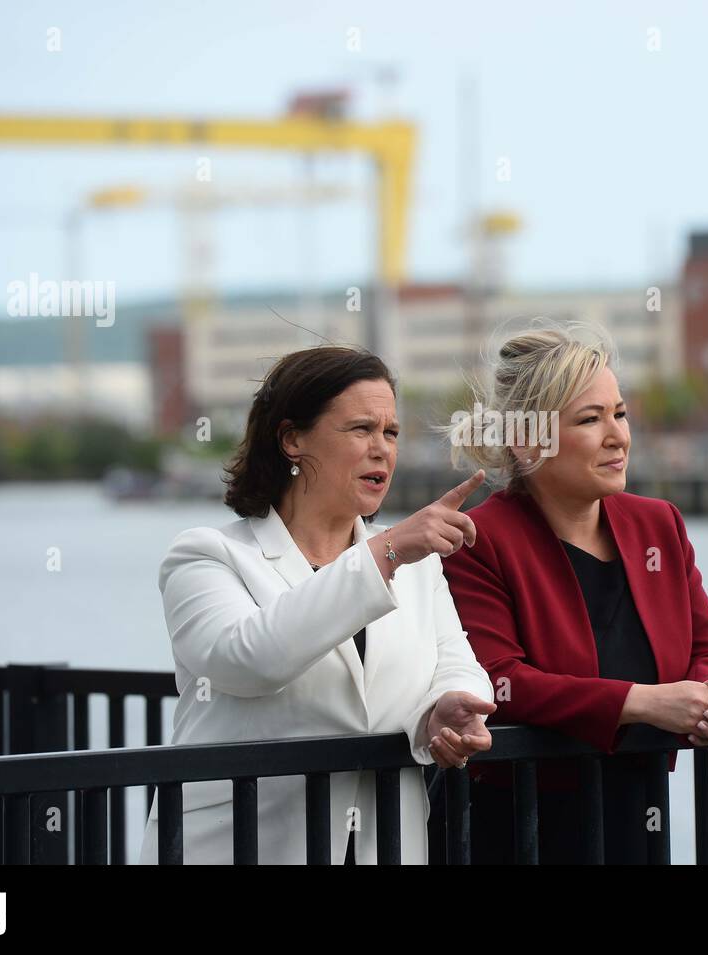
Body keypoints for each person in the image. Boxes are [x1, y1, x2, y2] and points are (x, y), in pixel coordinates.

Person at [138, 345, 495, 864]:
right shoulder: (206, 556)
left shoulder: (413, 562)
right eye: (360, 429)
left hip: (382, 845)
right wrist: (384, 552)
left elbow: (454, 658)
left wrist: (447, 706)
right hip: (241, 848)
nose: (382, 450)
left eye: (391, 432)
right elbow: (249, 661)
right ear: (292, 440)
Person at [440, 323, 708, 864]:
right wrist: (648, 702)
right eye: (591, 419)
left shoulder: (659, 525)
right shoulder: (480, 540)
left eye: (620, 414)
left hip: (636, 818)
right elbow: (500, 682)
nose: (618, 436)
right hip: (516, 829)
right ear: (529, 439)